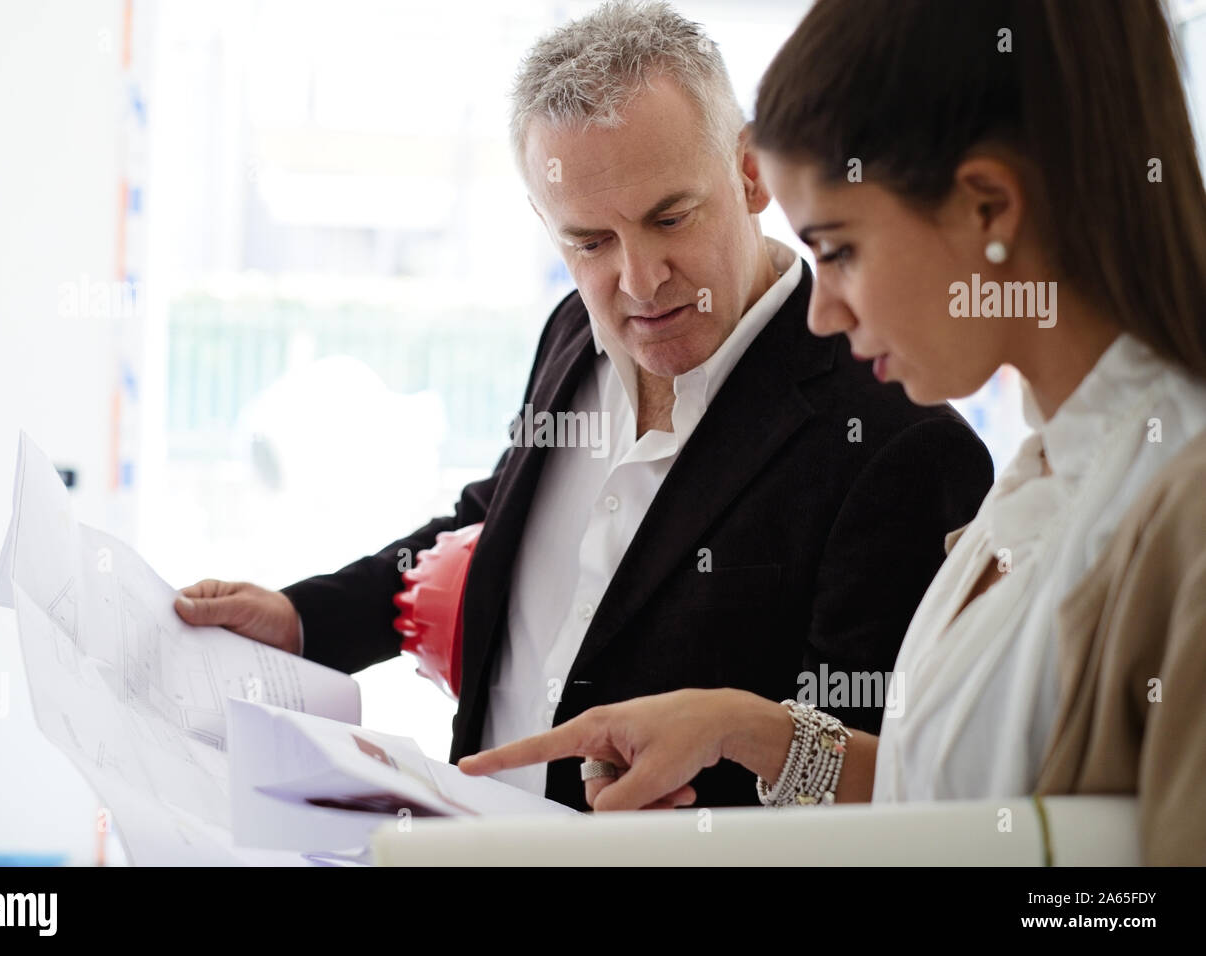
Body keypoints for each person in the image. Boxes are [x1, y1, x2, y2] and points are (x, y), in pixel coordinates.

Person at [174, 0, 993, 811]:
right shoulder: (574, 329)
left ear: (750, 174)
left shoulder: (898, 441)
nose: (640, 281)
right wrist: (303, 619)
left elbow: (889, 791)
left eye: (669, 218)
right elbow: (501, 519)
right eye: (589, 242)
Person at [460, 0, 1206, 864]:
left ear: (990, 209)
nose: (822, 305)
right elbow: (953, 807)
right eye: (588, 240)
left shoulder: (1173, 503)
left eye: (840, 247)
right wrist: (752, 730)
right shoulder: (1048, 464)